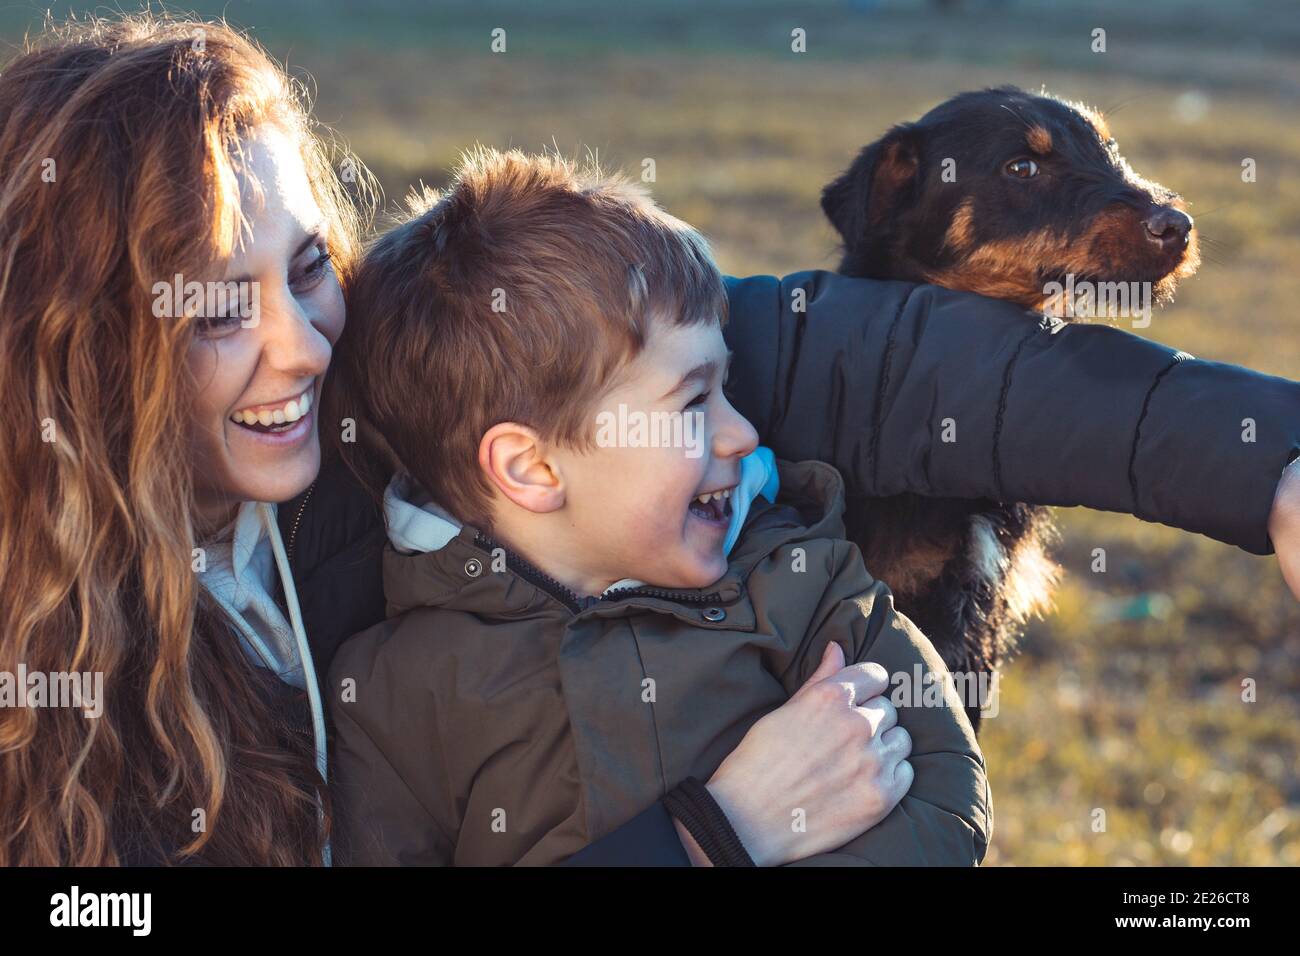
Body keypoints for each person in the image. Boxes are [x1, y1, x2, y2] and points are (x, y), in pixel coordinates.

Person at [2, 11, 1297, 866]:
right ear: (83, 338)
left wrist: (1273, 466)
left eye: (304, 268)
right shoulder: (48, 687)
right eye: (221, 308)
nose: (300, 343)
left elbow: (882, 356)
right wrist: (715, 835)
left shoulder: (405, 381)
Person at [325, 149, 989, 866]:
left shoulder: (801, 578)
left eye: (726, 388)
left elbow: (946, 801)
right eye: (695, 401)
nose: (743, 434)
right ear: (533, 467)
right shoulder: (397, 693)